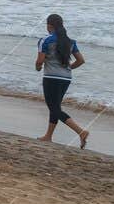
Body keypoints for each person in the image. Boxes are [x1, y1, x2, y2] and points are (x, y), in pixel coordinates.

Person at [37, 13, 89, 148]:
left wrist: (37, 67)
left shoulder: (45, 40)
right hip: (66, 78)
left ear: (49, 26)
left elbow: (40, 61)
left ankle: (81, 131)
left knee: (53, 108)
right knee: (55, 107)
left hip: (51, 78)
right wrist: (68, 68)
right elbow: (81, 61)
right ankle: (48, 136)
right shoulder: (70, 42)